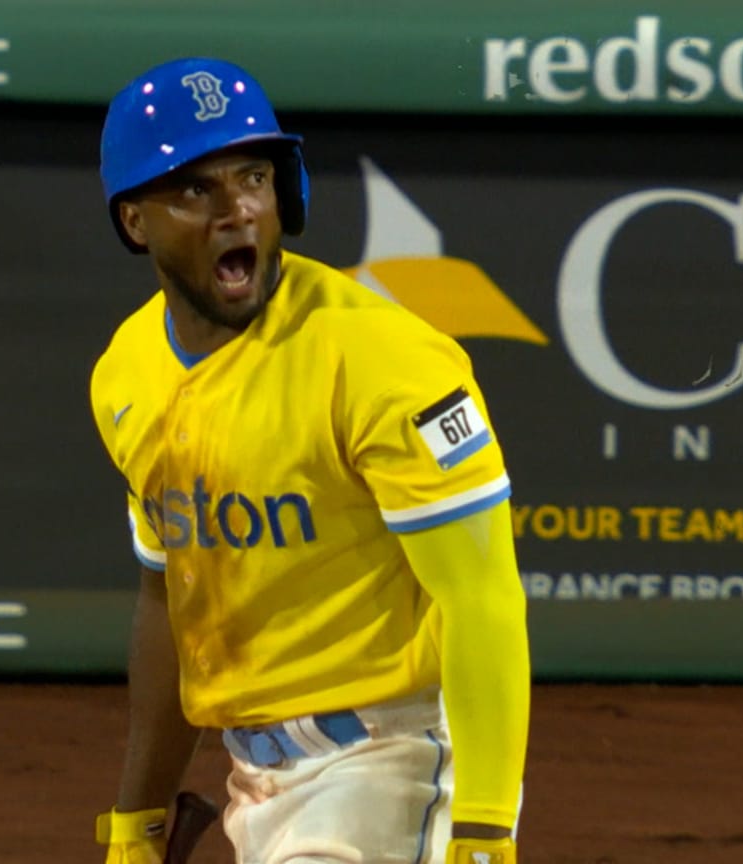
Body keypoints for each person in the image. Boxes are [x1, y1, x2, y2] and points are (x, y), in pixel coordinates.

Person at [87, 57, 531, 864]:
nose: (238, 209)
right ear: (134, 221)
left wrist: (487, 827)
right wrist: (138, 817)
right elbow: (170, 603)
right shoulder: (126, 375)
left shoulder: (380, 358)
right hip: (253, 786)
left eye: (253, 175)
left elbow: (482, 594)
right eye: (196, 189)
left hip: (391, 765)